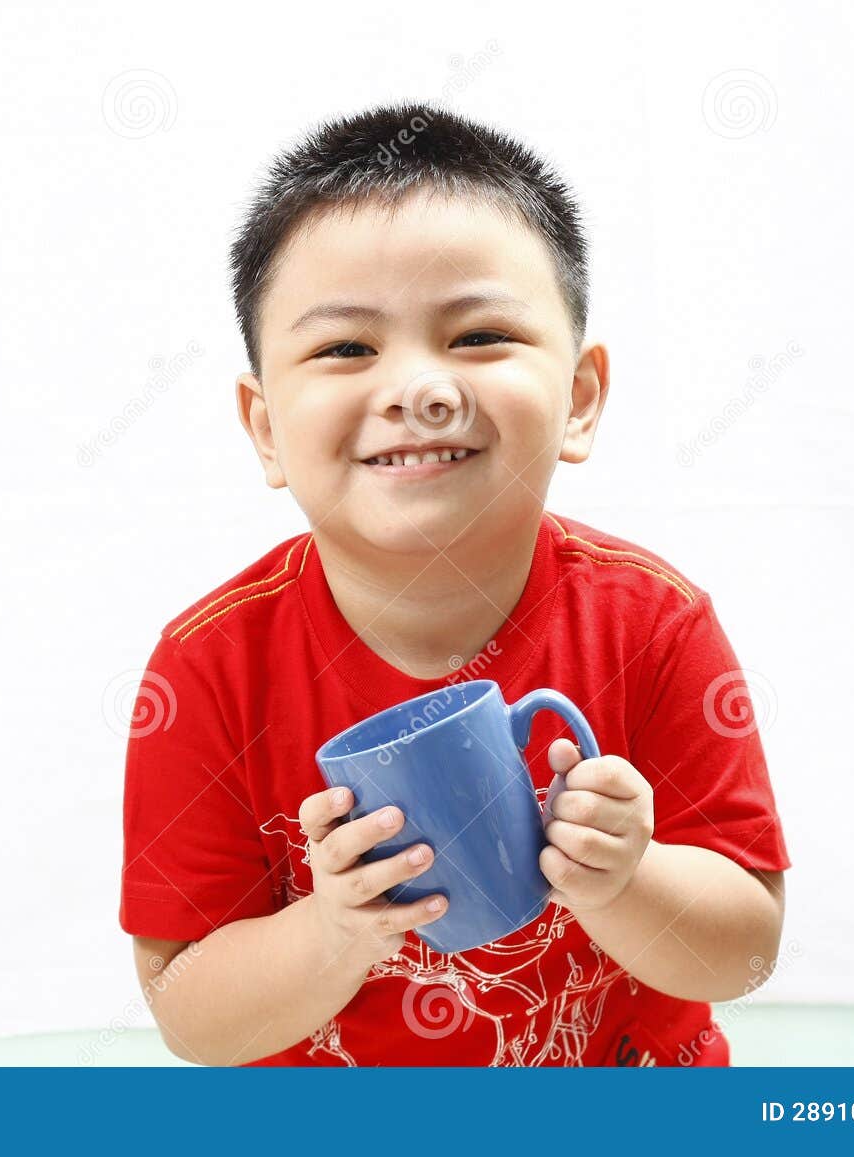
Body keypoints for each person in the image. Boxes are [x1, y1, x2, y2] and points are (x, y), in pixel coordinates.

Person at [117, 102, 790, 1066]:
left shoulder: (654, 622)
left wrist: (624, 881)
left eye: (478, 335)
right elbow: (191, 1018)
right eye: (346, 348)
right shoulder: (209, 664)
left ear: (581, 400)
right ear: (265, 427)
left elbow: (749, 956)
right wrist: (334, 931)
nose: (418, 388)